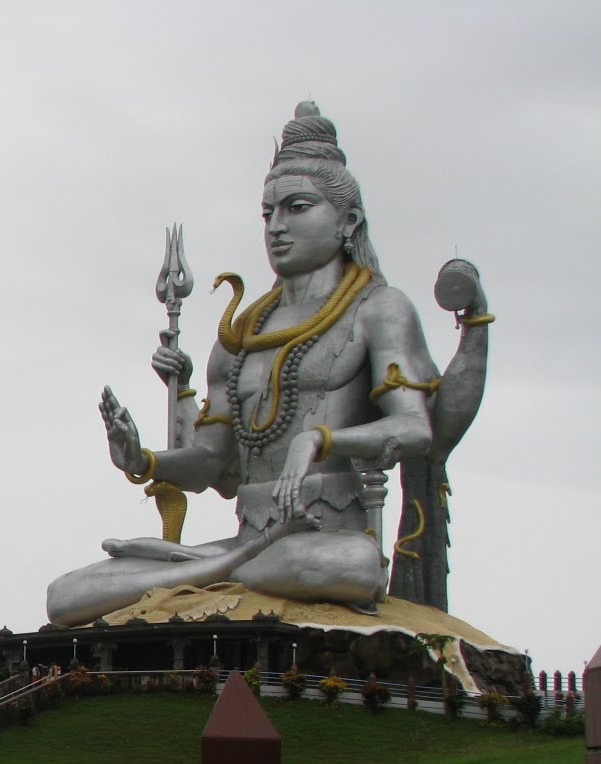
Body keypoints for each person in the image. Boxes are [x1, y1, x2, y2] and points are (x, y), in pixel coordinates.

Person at [46, 102, 489, 628]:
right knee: (66, 595)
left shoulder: (377, 310)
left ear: (347, 221)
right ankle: (222, 566)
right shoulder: (242, 336)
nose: (276, 227)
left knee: (350, 564)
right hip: (252, 542)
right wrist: (142, 460)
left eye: (297, 208)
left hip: (325, 539)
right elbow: (212, 462)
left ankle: (204, 569)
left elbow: (415, 428)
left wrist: (320, 440)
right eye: (267, 213)